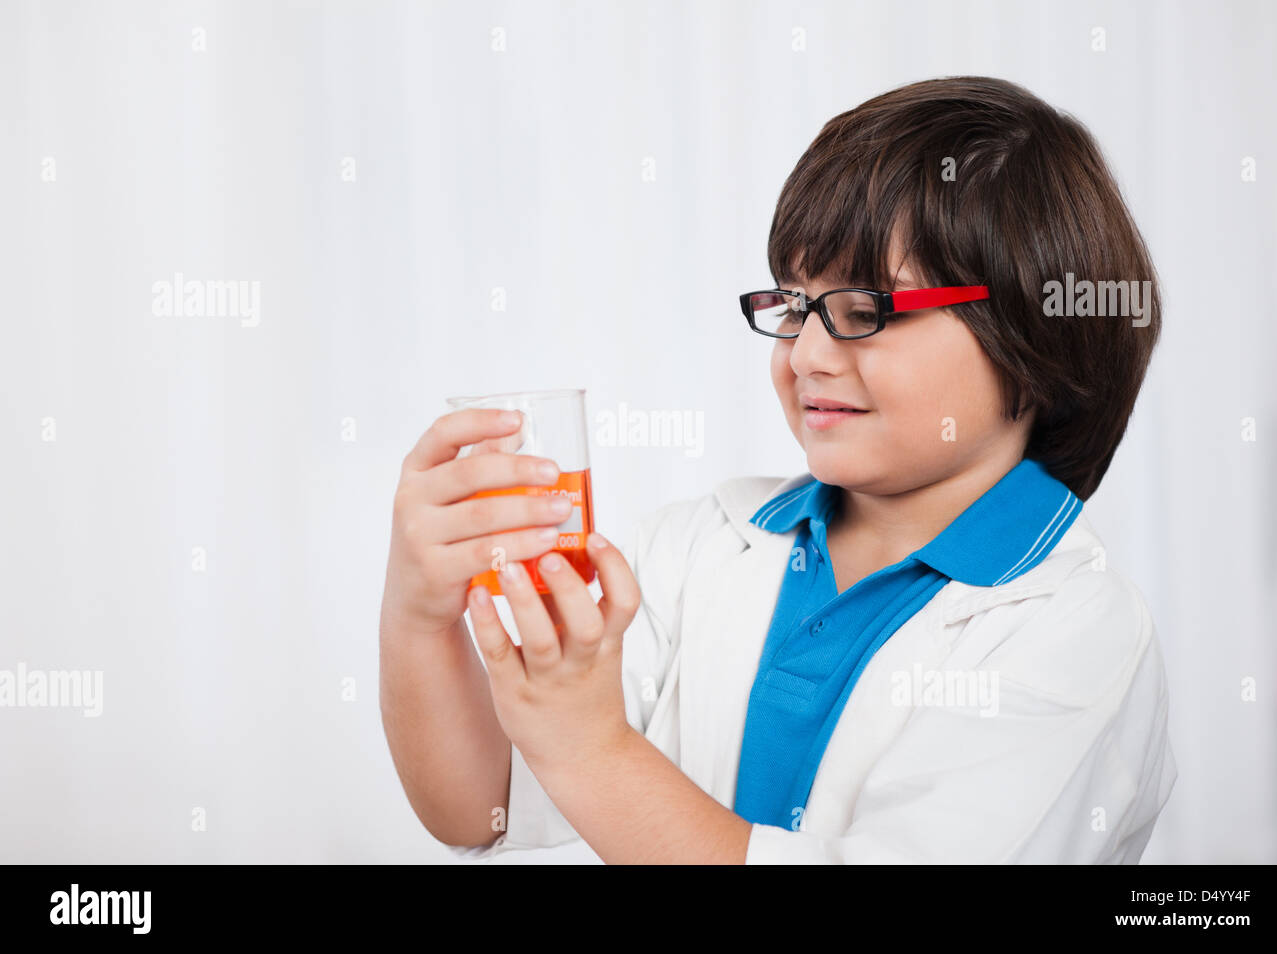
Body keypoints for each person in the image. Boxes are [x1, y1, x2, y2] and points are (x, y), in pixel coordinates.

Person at [378, 76, 1177, 864]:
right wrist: (421, 616)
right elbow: (481, 808)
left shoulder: (1069, 627)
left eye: (867, 311)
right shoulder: (703, 546)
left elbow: (582, 758)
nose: (810, 355)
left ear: (1031, 338)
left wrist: (590, 747)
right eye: (795, 306)